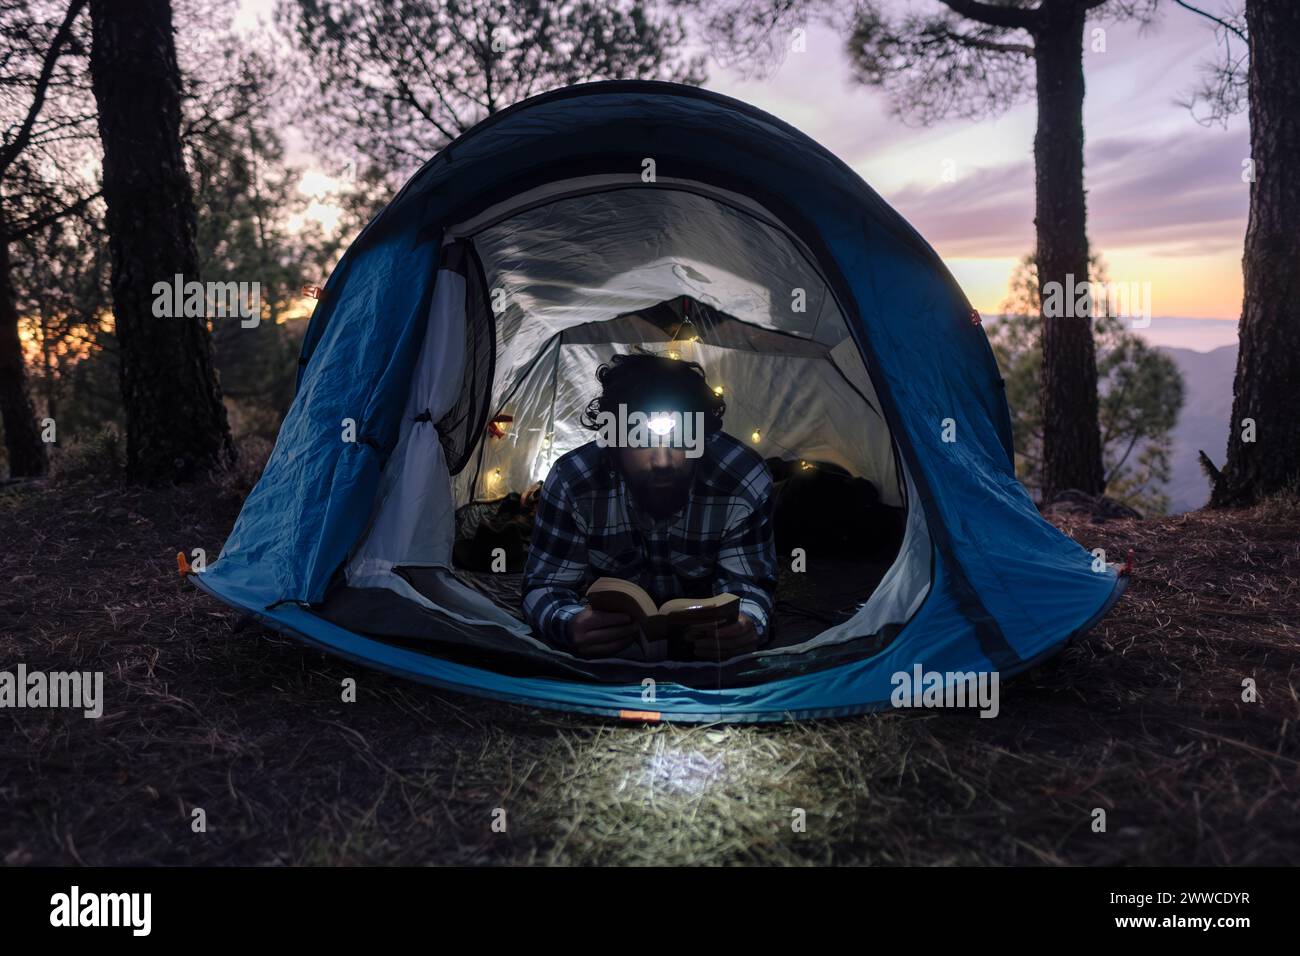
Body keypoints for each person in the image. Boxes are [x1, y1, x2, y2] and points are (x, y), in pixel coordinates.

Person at [522, 352, 776, 661]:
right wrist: (570, 623)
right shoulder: (572, 481)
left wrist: (747, 624)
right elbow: (544, 585)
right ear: (613, 440)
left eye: (682, 439)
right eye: (641, 440)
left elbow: (749, 587)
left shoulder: (742, 479)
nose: (663, 461)